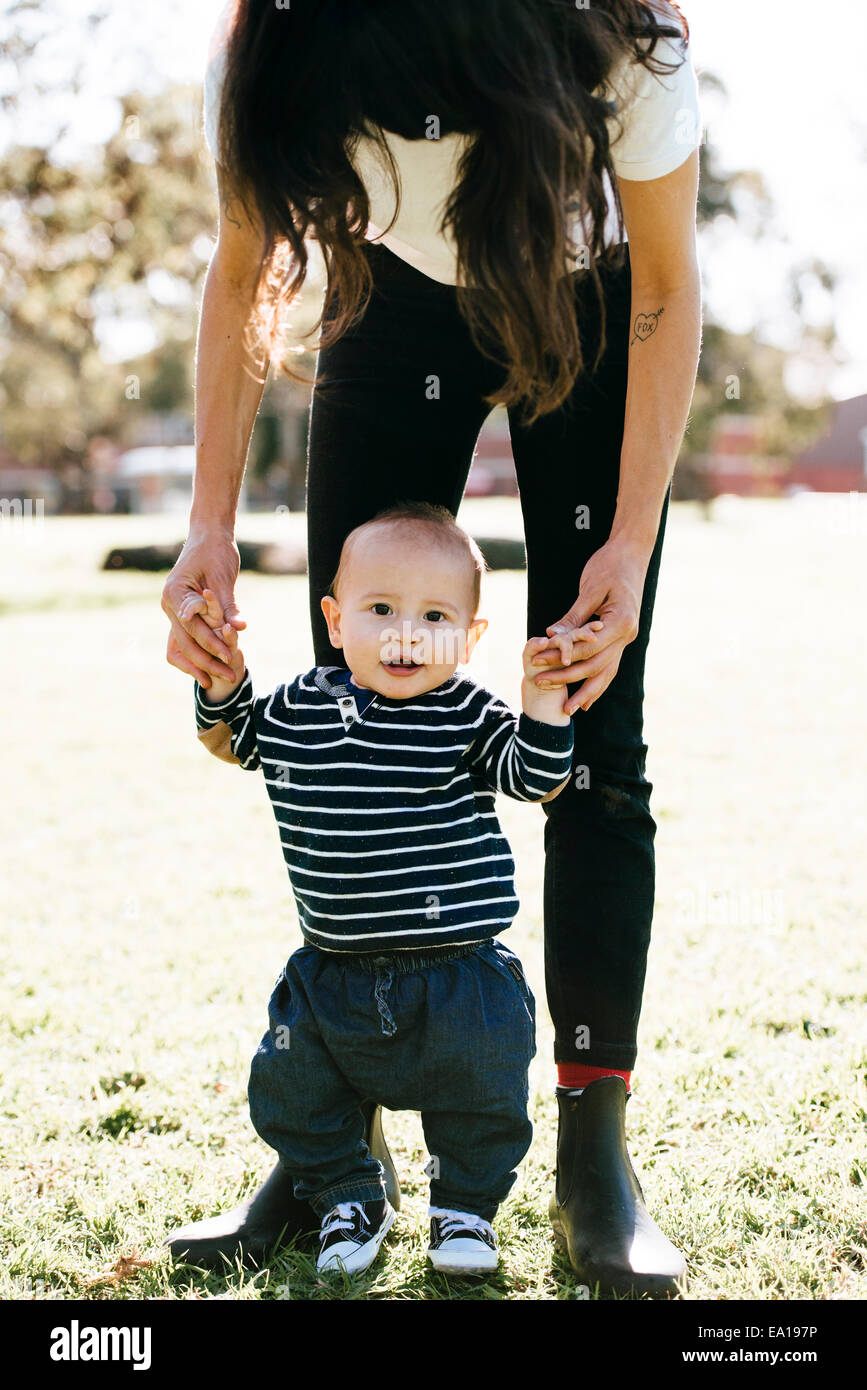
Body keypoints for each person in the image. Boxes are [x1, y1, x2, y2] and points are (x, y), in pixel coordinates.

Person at [162, 0, 702, 1296]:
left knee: (592, 739)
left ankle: (589, 1158)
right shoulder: (284, 37)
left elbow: (672, 284)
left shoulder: (621, 40)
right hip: (392, 305)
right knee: (342, 718)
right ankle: (326, 1152)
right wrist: (207, 524)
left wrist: (624, 544)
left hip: (588, 297)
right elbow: (241, 271)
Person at [177, 503, 578, 1275]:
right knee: (289, 1088)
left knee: (481, 1099)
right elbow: (239, 738)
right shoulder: (301, 706)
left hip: (461, 972)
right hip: (331, 970)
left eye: (434, 615)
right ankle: (347, 1194)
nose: (404, 633)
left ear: (470, 637)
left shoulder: (466, 713)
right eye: (380, 609)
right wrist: (222, 679)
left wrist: (540, 703)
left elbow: (534, 778)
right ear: (334, 620)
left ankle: (463, 1209)